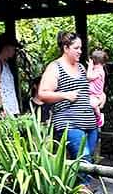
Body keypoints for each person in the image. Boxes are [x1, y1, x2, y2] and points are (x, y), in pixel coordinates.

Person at [37, 32, 99, 162]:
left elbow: (86, 91)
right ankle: (84, 184)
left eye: (80, 48)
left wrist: (97, 99)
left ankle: (78, 183)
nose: (80, 51)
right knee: (84, 158)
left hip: (89, 123)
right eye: (76, 48)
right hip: (69, 123)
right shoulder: (55, 67)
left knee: (88, 161)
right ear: (65, 48)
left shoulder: (81, 68)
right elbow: (42, 93)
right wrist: (65, 95)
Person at [0, 33, 20, 116]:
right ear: (6, 47)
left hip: (12, 105)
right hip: (5, 107)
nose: (14, 51)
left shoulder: (6, 63)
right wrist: (0, 108)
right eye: (13, 48)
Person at [87, 49, 108, 131]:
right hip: (93, 94)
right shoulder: (96, 70)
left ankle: (99, 117)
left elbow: (88, 77)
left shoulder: (99, 71)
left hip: (95, 95)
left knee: (93, 105)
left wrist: (90, 67)